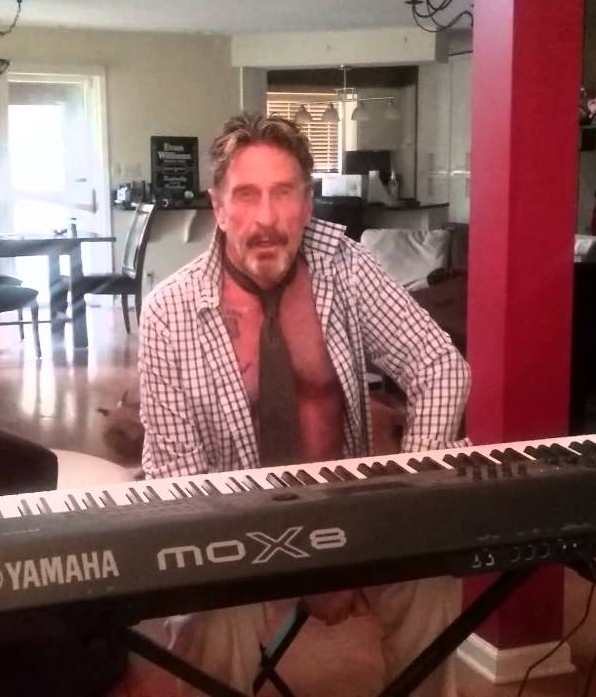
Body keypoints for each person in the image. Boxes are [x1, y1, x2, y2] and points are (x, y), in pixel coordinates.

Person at [137, 111, 471, 696]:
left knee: (431, 585)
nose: (266, 218)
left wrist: (408, 494)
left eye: (284, 193)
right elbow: (176, 477)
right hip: (233, 529)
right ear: (219, 207)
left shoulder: (346, 267)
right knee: (209, 617)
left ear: (308, 204)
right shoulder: (169, 312)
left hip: (354, 512)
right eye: (246, 195)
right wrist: (283, 554)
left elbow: (438, 364)